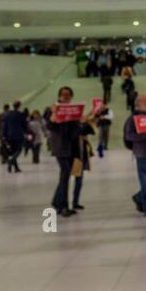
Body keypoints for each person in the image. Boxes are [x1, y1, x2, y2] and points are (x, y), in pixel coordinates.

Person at [45, 87, 93, 217]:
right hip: (60, 147)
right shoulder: (52, 109)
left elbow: (80, 130)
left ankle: (57, 202)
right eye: (63, 94)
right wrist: (52, 119)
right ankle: (63, 206)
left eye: (68, 95)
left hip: (73, 147)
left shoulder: (74, 110)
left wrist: (82, 122)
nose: (66, 97)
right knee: (65, 173)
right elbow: (49, 126)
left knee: (65, 175)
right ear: (59, 96)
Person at [3, 101, 27, 173]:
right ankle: (10, 161)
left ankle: (14, 168)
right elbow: (24, 125)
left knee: (12, 151)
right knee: (18, 150)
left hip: (9, 135)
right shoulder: (21, 114)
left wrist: (4, 135)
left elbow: (5, 126)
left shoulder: (8, 114)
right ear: (19, 106)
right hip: (18, 135)